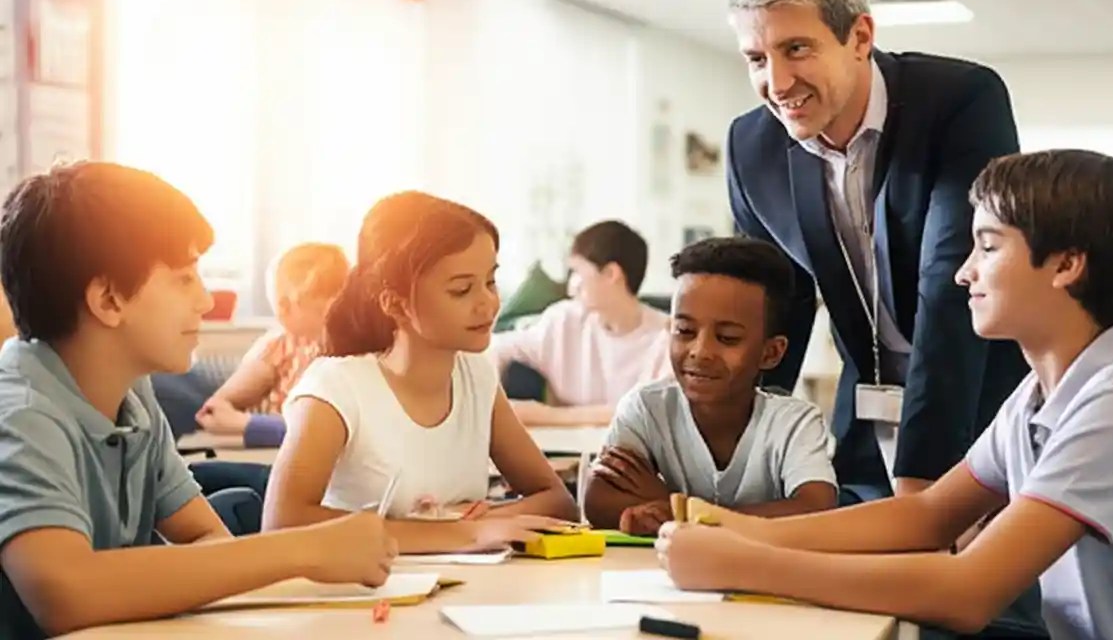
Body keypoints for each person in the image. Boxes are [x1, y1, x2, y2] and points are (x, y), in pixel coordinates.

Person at [657, 150, 1113, 639]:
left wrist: (749, 564)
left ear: (1066, 265)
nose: (964, 272)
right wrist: (744, 531)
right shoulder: (1043, 394)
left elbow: (969, 592)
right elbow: (929, 515)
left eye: (988, 247)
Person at [0, 162, 395, 639]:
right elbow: (65, 594)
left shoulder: (132, 393)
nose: (206, 301)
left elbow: (206, 536)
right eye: (184, 278)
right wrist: (304, 549)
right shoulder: (21, 412)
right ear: (108, 300)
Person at [723, 0, 1026, 502]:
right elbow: (771, 309)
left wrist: (920, 490)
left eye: (796, 49)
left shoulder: (960, 101)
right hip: (866, 410)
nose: (778, 84)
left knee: (959, 554)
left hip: (978, 400)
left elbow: (948, 286)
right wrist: (739, 452)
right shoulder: (751, 145)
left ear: (860, 37)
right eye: (757, 59)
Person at [262, 191, 578, 552]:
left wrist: (480, 522)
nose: (488, 303)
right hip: (364, 585)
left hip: (465, 583)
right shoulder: (336, 387)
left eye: (490, 282)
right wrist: (462, 534)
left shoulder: (476, 376)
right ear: (396, 305)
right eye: (461, 290)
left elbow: (557, 500)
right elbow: (282, 523)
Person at [583, 237, 836, 535]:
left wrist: (677, 507)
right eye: (684, 331)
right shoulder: (646, 409)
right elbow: (600, 500)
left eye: (728, 338)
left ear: (771, 353)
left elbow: (816, 510)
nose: (700, 351)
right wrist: (698, 514)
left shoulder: (794, 423)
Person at [489, 220, 670, 426]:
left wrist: (545, 415)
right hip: (563, 443)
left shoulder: (668, 337)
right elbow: (495, 348)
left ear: (611, 274)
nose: (571, 287)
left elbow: (646, 413)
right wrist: (492, 400)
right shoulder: (565, 321)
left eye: (576, 271)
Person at [195, 242, 350, 448]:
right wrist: (226, 413)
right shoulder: (281, 345)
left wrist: (248, 424)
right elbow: (215, 408)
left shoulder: (354, 354)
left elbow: (326, 430)